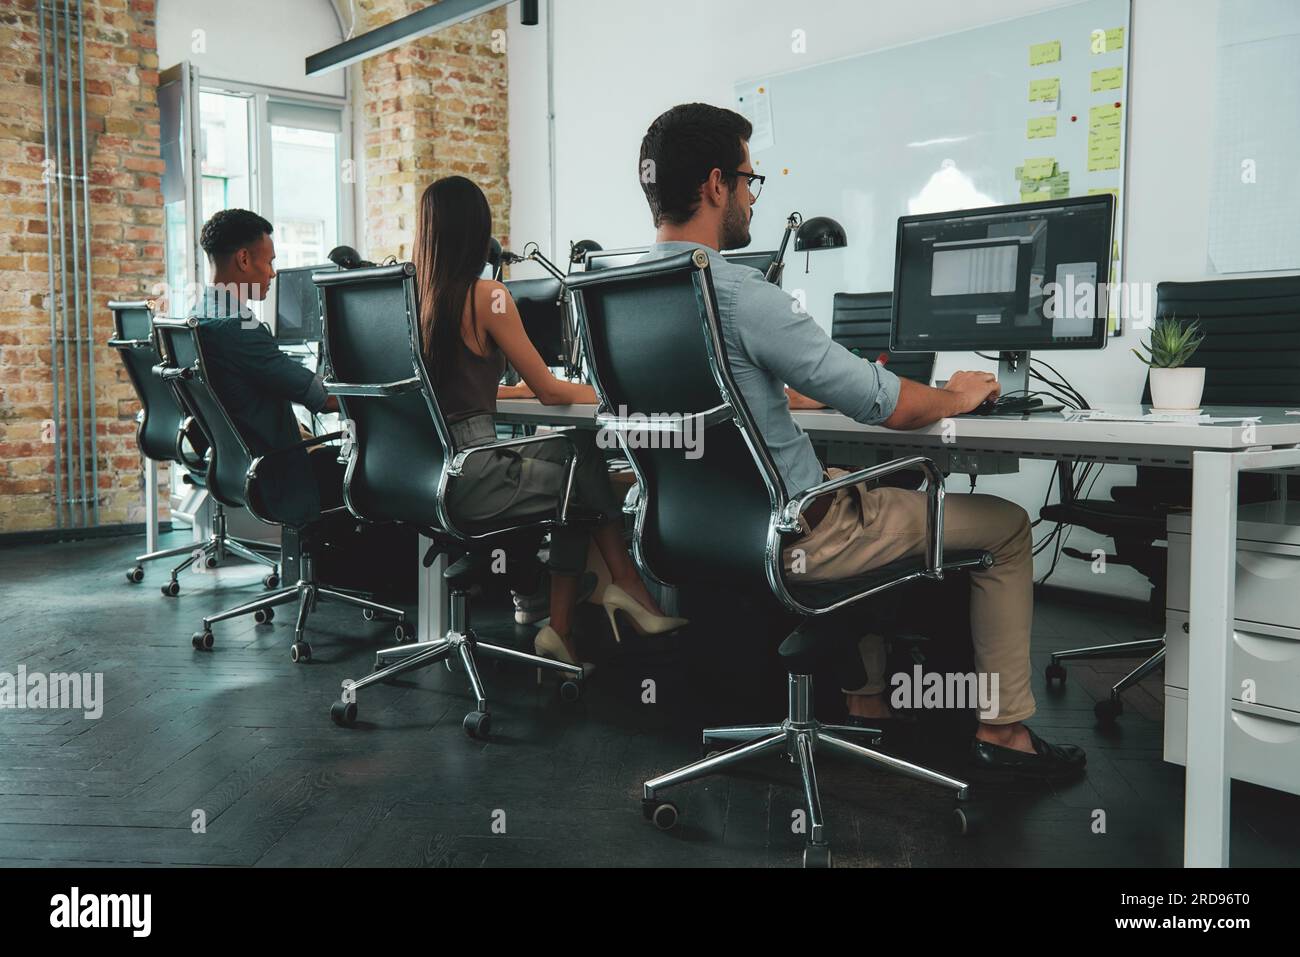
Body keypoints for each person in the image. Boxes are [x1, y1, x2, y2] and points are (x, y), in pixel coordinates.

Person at [634, 103, 1085, 781]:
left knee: (877, 482)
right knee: (1008, 525)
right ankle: (1003, 731)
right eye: (752, 180)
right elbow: (884, 402)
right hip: (805, 540)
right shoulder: (738, 291)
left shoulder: (626, 290)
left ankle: (866, 700)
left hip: (693, 533)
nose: (754, 198)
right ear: (716, 183)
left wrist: (779, 393)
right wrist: (957, 397)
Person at [412, 175, 687, 671]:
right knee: (581, 466)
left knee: (576, 463)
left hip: (422, 472)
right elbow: (553, 391)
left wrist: (500, 389)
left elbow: (441, 392)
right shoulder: (487, 296)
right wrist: (619, 394)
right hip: (472, 472)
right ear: (479, 232)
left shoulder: (412, 300)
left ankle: (573, 620)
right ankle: (610, 596)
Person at [193, 209, 341, 528]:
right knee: (368, 473)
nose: (272, 274)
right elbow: (325, 400)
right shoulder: (238, 329)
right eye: (270, 262)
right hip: (277, 472)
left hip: (236, 464)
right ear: (244, 259)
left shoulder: (198, 316)